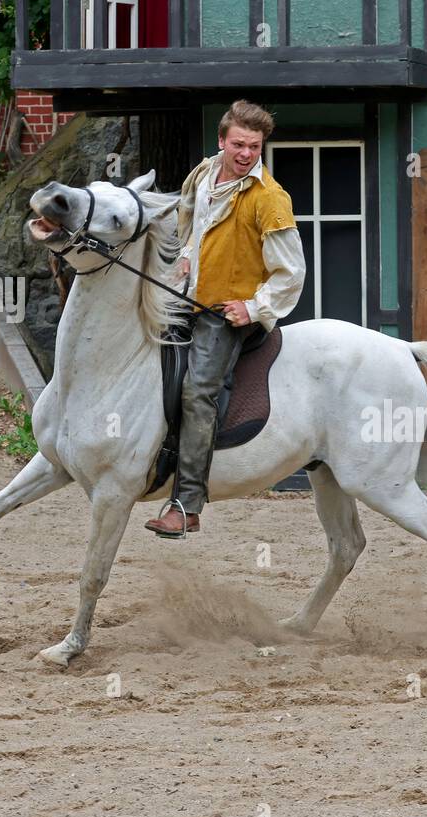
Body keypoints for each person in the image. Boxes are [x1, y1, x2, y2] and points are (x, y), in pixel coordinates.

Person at [144, 100, 306, 537]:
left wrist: (251, 308)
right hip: (186, 297)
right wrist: (183, 259)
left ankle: (186, 505)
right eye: (239, 144)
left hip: (228, 313)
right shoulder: (202, 174)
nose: (246, 154)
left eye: (254, 147)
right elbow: (193, 228)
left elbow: (291, 273)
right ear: (222, 141)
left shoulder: (270, 199)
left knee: (198, 393)